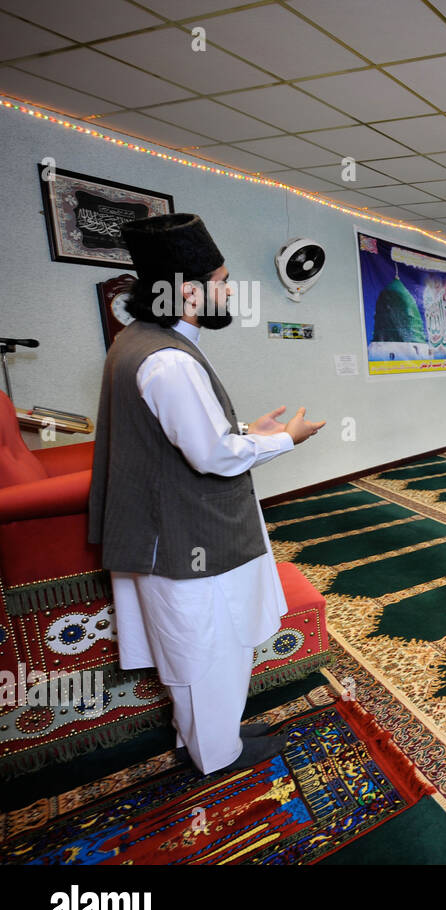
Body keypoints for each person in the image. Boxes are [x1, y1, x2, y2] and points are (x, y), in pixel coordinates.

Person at [87, 213, 324, 775]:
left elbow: (188, 438)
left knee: (206, 645)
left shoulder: (144, 343)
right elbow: (210, 456)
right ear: (187, 290)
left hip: (173, 527)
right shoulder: (167, 360)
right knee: (207, 648)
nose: (228, 292)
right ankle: (216, 754)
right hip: (185, 536)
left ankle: (210, 735)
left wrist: (249, 434)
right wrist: (284, 441)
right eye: (220, 281)